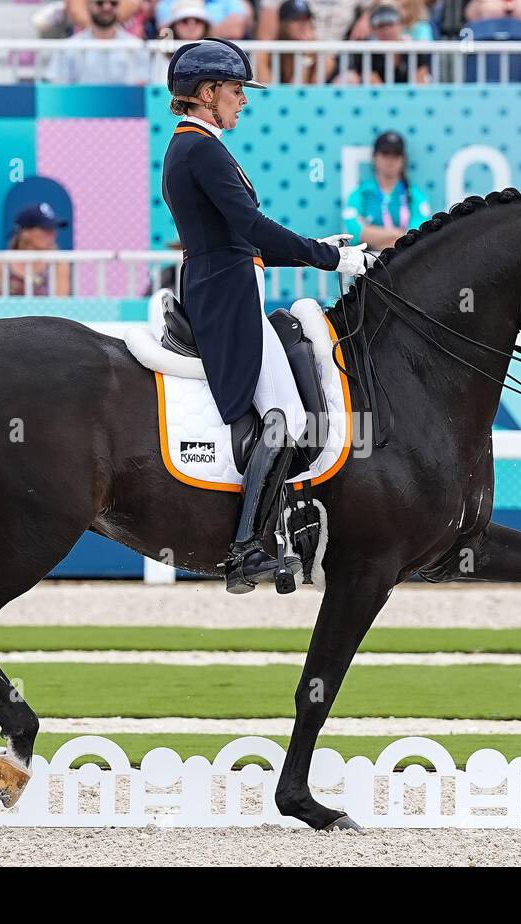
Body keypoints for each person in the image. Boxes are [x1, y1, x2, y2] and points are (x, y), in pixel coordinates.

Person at [161, 38, 372, 593]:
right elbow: (253, 229)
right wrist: (332, 258)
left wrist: (316, 249)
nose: (242, 101)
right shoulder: (201, 149)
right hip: (224, 299)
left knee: (291, 416)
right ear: (207, 94)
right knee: (289, 417)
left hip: (226, 285)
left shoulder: (197, 147)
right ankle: (248, 547)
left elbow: (244, 242)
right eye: (235, 91)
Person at [341, 131, 433, 252]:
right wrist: (397, 235)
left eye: (396, 155)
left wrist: (374, 238)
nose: (390, 160)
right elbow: (354, 232)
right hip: (368, 266)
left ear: (403, 159)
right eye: (385, 154)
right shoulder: (361, 194)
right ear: (374, 157)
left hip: (406, 265)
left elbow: (418, 235)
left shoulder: (415, 195)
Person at [47, 0, 152, 85]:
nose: (107, 7)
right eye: (100, 3)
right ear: (88, 5)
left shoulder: (137, 47)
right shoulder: (68, 48)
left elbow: (142, 87)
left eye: (113, 3)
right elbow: (57, 87)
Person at [0, 202, 73, 297]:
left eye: (54, 229)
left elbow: (60, 307)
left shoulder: (59, 265)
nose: (53, 234)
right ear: (25, 232)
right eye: (45, 229)